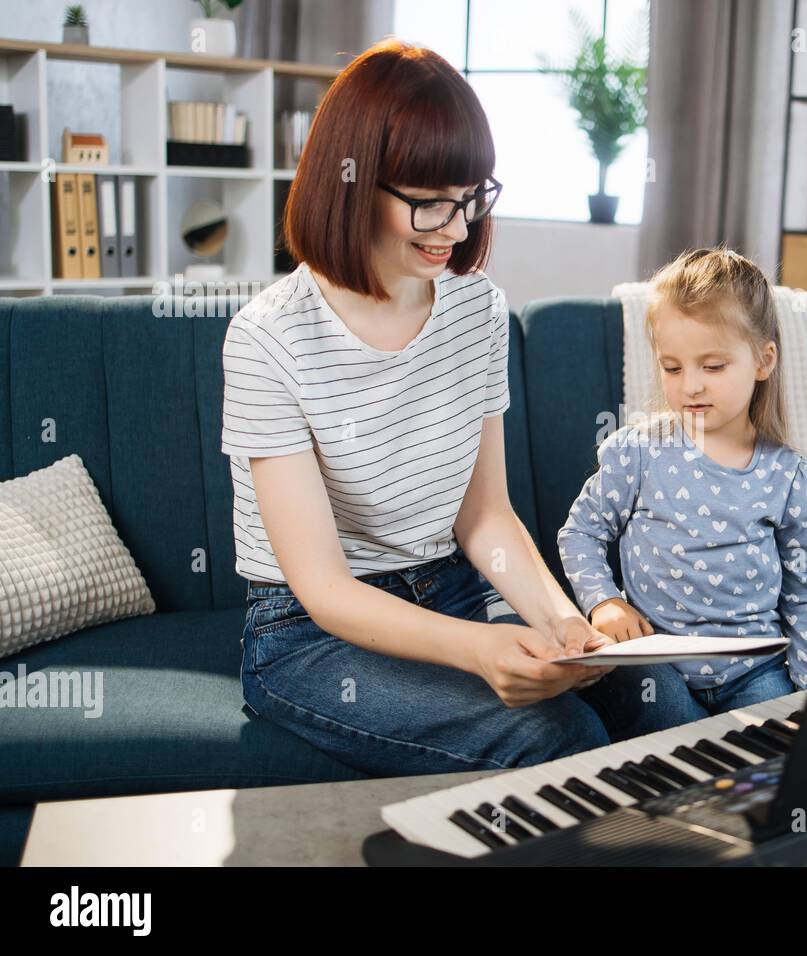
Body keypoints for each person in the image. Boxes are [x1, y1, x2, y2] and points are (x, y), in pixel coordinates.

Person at [222, 39, 612, 777]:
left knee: (650, 702)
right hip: (310, 638)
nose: (458, 229)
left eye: (470, 198)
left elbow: (484, 517)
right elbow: (326, 589)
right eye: (429, 203)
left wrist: (563, 622)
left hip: (451, 591)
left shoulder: (478, 311)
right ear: (353, 182)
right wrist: (480, 648)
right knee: (556, 739)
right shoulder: (268, 337)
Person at [558, 247, 807, 740]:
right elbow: (580, 533)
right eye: (673, 367)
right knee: (670, 730)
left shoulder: (787, 474)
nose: (691, 387)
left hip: (754, 671)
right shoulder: (638, 451)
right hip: (656, 664)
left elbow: (806, 594)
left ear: (763, 360)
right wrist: (604, 602)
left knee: (775, 748)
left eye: (713, 366)